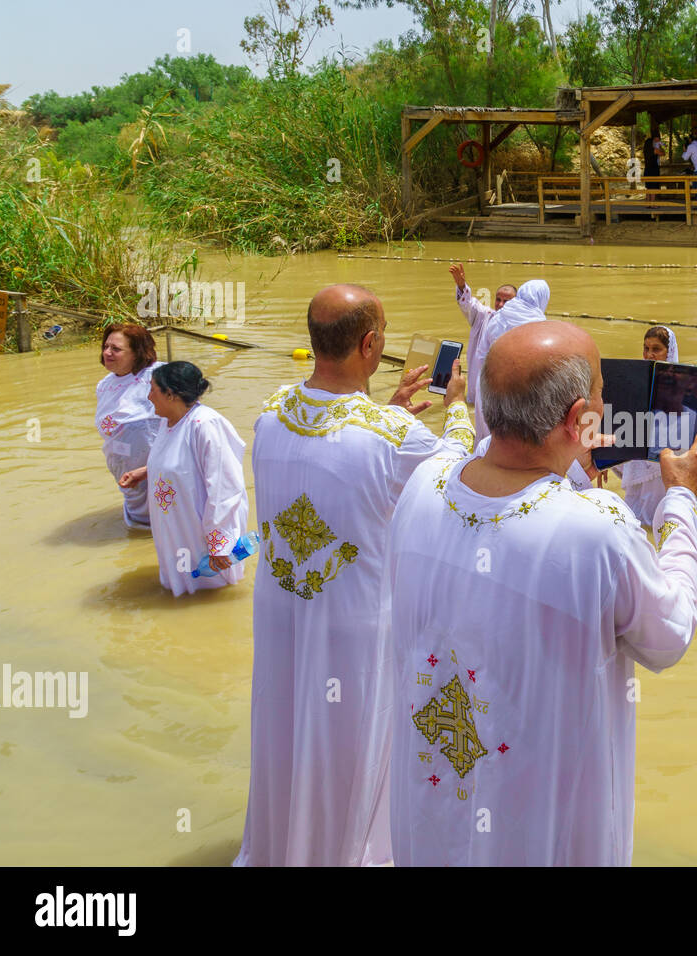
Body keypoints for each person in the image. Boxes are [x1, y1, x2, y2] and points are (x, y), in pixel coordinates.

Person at [384, 320, 697, 866]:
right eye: (603, 394)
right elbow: (669, 634)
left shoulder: (425, 484)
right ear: (576, 417)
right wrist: (680, 500)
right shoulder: (598, 529)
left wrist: (573, 468)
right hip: (536, 837)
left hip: (432, 820)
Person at [234, 283, 474, 867]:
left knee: (287, 725)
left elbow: (333, 460)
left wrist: (383, 408)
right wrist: (459, 404)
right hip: (355, 626)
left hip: (283, 612)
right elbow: (459, 473)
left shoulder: (271, 414)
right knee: (353, 740)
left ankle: (284, 846)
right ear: (370, 343)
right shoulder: (396, 440)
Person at [117, 362, 248, 597]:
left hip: (197, 524)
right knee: (180, 578)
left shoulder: (205, 425)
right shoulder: (169, 423)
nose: (149, 397)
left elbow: (225, 487)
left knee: (208, 588)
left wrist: (219, 544)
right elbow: (178, 461)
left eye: (153, 390)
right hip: (175, 523)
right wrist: (145, 472)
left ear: (171, 394)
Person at [615, 326, 697, 526]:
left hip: (674, 461)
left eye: (656, 349)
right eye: (646, 348)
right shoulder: (635, 382)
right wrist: (606, 455)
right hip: (642, 463)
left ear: (670, 351)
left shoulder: (690, 384)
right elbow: (618, 420)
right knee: (639, 522)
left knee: (672, 518)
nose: (649, 354)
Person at [95, 322, 162, 528]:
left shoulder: (159, 376)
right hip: (124, 470)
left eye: (116, 349)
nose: (107, 352)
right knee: (140, 525)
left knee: (168, 522)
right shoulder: (105, 385)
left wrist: (151, 468)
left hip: (157, 470)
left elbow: (182, 421)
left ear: (137, 352)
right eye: (106, 347)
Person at [470, 279, 550, 441]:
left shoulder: (497, 318)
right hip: (519, 391)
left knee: (486, 440)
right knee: (514, 443)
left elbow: (481, 356)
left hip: (487, 384)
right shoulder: (540, 326)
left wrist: (478, 385)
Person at [450, 262, 515, 411]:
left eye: (506, 301)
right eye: (498, 299)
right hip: (477, 388)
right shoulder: (484, 316)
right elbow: (468, 305)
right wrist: (462, 286)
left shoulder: (519, 326)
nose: (500, 304)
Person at [641, 130, 665, 195]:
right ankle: (653, 204)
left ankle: (648, 203)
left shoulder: (646, 151)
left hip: (647, 169)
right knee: (653, 188)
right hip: (653, 169)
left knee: (648, 188)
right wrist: (660, 146)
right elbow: (663, 153)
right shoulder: (655, 150)